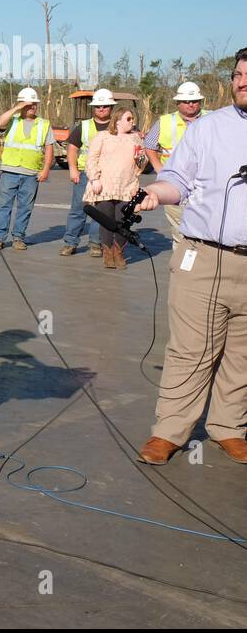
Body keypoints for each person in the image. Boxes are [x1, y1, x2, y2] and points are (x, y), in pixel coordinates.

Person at [134, 48, 247, 466]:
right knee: (190, 349)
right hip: (203, 257)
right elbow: (176, 180)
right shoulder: (208, 130)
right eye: (237, 75)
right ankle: (170, 430)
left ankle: (229, 427)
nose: (241, 82)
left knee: (242, 353)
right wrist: (152, 193)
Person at [0, 87, 52, 251]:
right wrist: (17, 108)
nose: (32, 107)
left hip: (31, 173)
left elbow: (49, 148)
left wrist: (45, 169)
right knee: (5, 206)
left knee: (25, 208)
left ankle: (18, 237)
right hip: (10, 171)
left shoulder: (44, 124)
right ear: (21, 103)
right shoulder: (13, 120)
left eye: (34, 104)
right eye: (29, 104)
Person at [142, 81, 206, 243]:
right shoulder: (165, 122)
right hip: (175, 185)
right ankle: (183, 263)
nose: (191, 104)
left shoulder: (212, 118)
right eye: (186, 101)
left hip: (206, 185)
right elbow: (149, 145)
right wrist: (159, 169)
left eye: (194, 101)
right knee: (180, 231)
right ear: (178, 102)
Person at [82, 106, 145, 269]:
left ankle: (119, 252)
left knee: (123, 222)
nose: (132, 122)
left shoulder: (136, 139)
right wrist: (94, 179)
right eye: (128, 119)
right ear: (117, 121)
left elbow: (141, 165)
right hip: (104, 186)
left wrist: (141, 158)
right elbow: (91, 159)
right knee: (107, 221)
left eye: (132, 119)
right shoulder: (103, 136)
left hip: (127, 186)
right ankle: (108, 252)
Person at [61, 89, 115, 257]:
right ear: (94, 108)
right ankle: (70, 242)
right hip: (85, 174)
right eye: (98, 106)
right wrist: (73, 169)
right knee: (79, 209)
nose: (101, 109)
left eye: (105, 106)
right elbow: (72, 148)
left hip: (109, 176)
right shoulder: (83, 126)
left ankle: (95, 243)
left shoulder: (118, 126)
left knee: (101, 211)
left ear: (111, 107)